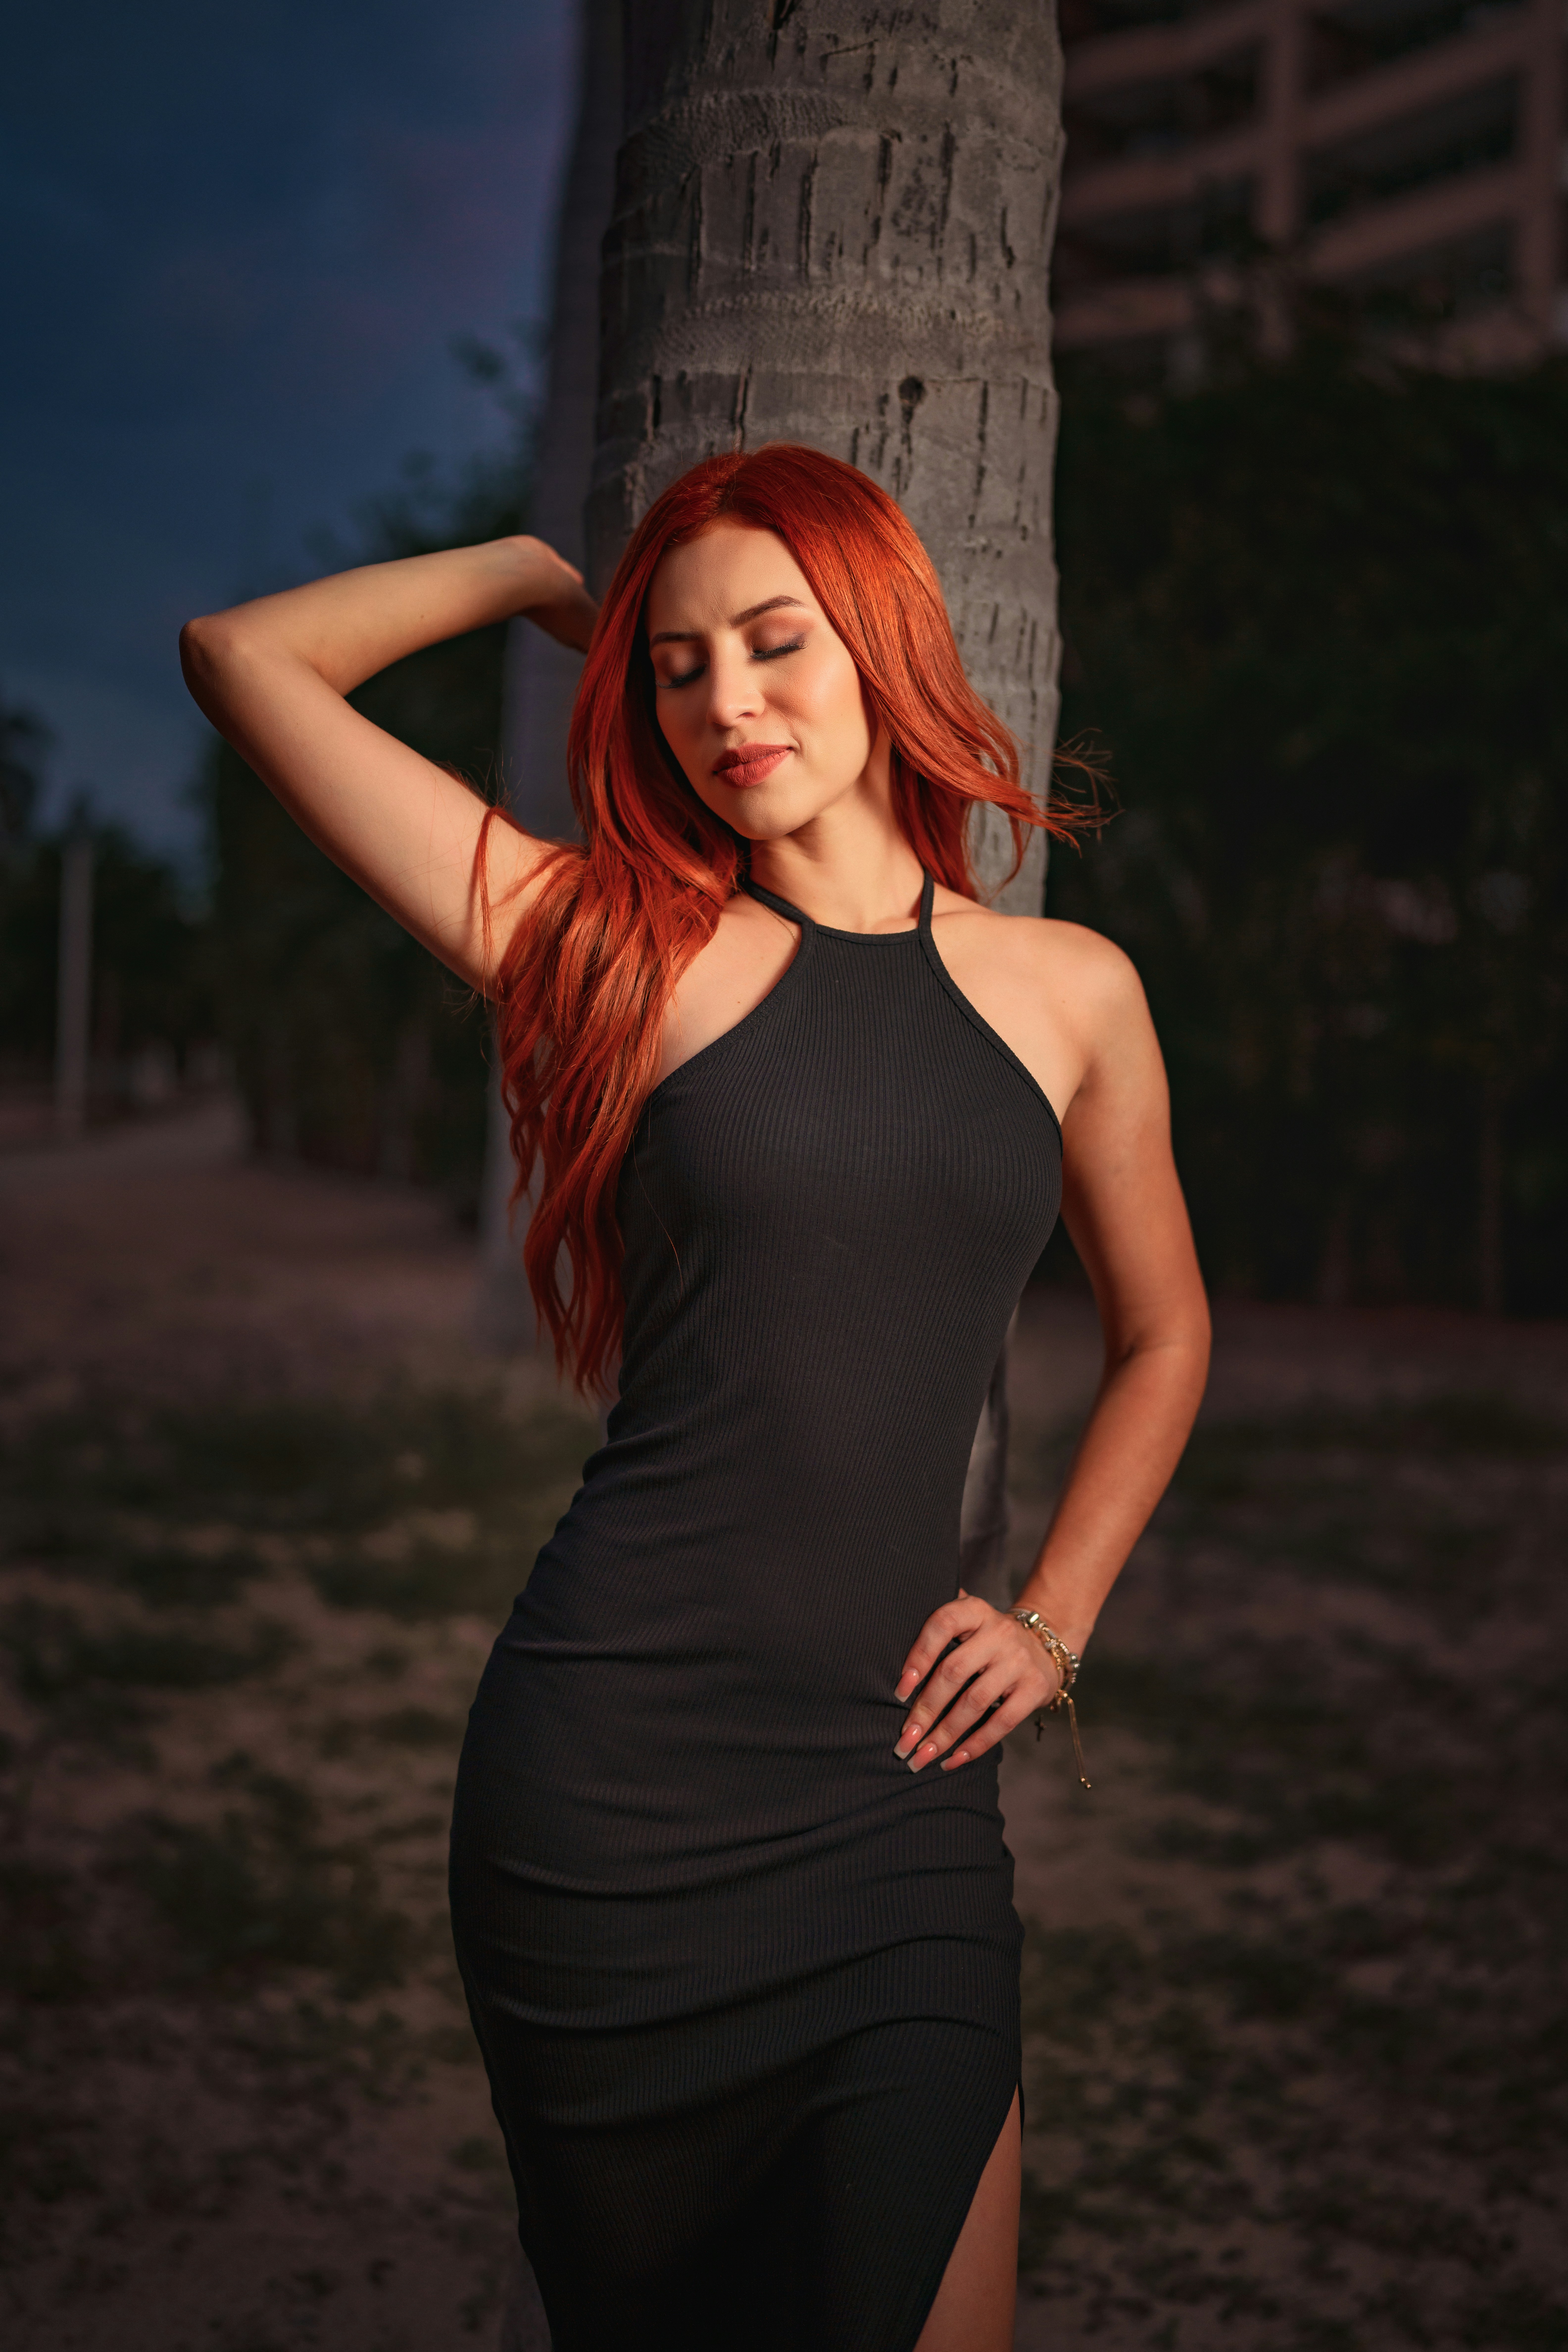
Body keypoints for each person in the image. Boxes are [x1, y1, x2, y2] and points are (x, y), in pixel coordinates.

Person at [181, 442, 1209, 2352]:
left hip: (901, 1806)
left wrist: (1058, 1616)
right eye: (673, 664)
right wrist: (519, 568)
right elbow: (244, 660)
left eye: (773, 641)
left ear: (881, 639)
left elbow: (1167, 1333)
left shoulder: (1075, 990)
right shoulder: (609, 952)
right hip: (610, 1810)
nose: (725, 702)